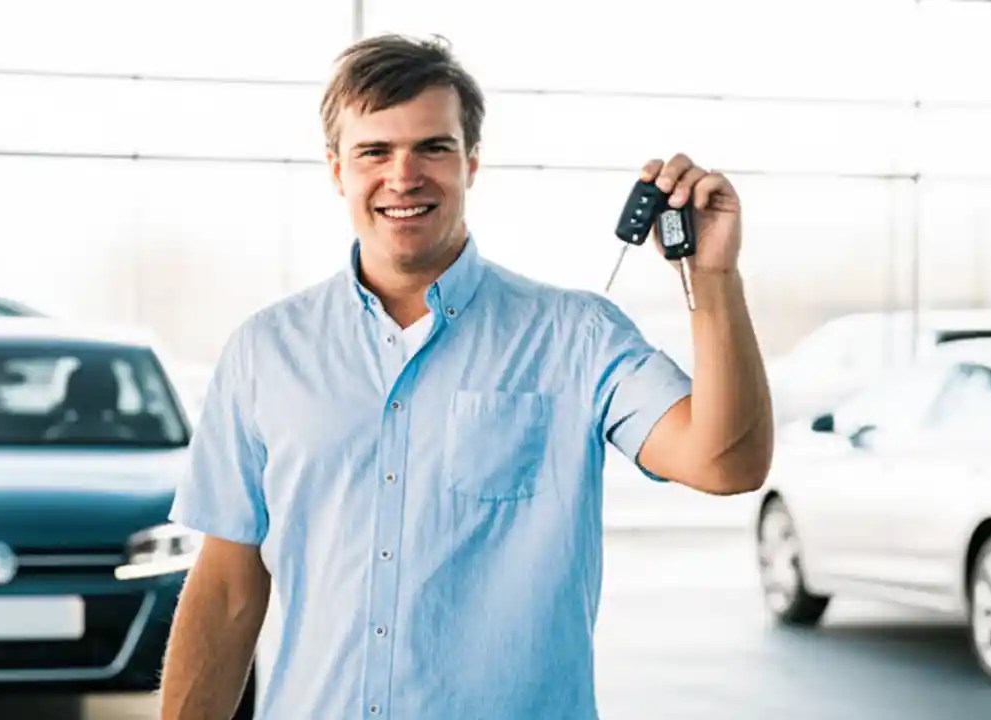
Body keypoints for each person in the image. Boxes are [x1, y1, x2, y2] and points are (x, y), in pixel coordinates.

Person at [159, 34, 773, 720]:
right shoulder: (264, 353)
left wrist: (713, 278)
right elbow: (226, 592)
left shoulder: (576, 336)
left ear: (471, 162)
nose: (404, 175)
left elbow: (729, 462)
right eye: (374, 152)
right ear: (337, 170)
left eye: (433, 147)